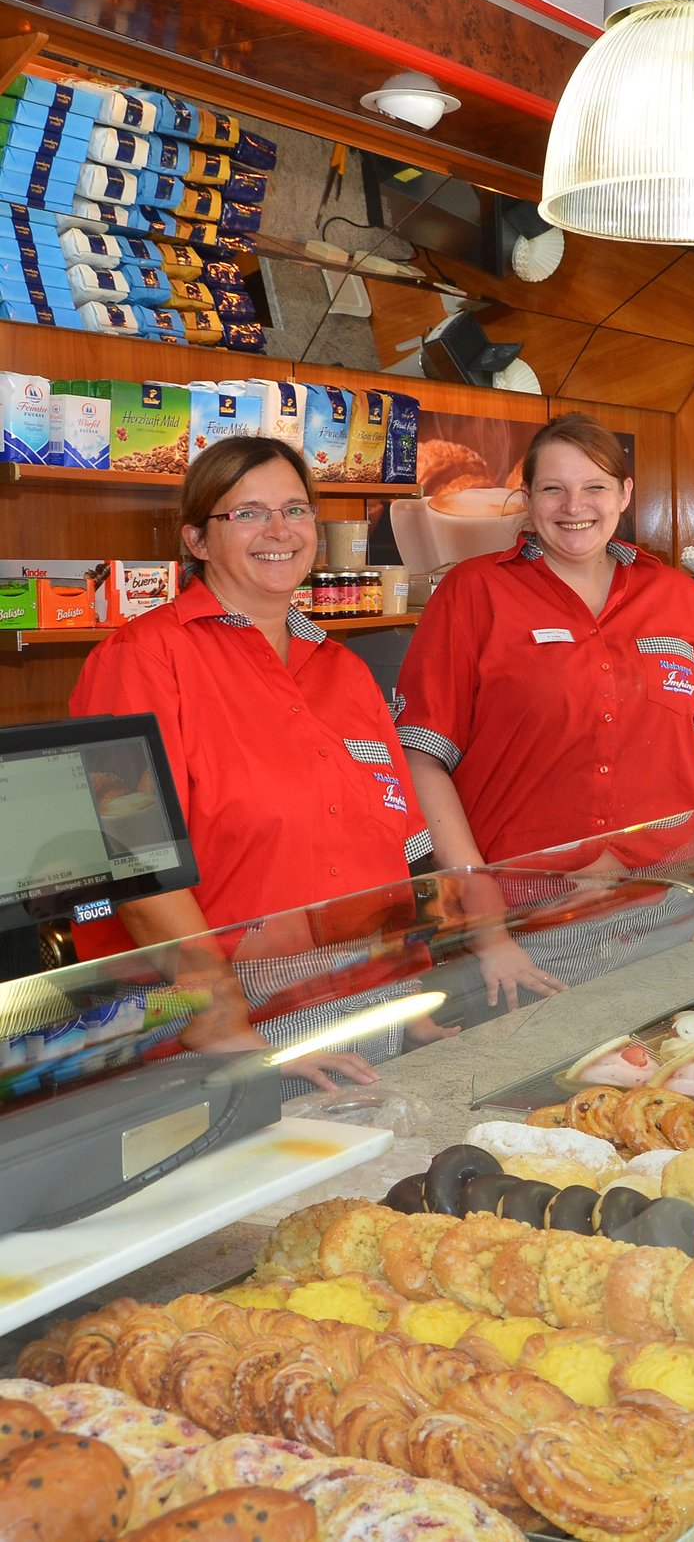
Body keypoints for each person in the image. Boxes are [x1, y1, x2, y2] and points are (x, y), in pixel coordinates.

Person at [69, 435, 436, 1088]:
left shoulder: (344, 672)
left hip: (359, 1008)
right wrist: (228, 1025)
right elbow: (134, 863)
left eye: (296, 510)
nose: (280, 530)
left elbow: (395, 845)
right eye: (248, 513)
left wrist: (411, 992)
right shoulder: (142, 660)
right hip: (230, 1032)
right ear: (198, 540)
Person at [395, 413, 694, 1005]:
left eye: (594, 487)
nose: (574, 506)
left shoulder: (675, 595)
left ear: (625, 495)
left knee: (675, 1075)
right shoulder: (473, 593)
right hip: (533, 921)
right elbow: (421, 762)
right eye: (552, 489)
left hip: (674, 901)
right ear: (528, 497)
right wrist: (485, 925)